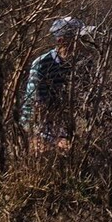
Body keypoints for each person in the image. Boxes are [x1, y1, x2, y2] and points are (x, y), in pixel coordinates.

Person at [20, 16, 82, 151]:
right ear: (61, 41)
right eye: (77, 40)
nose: (83, 44)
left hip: (64, 124)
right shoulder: (42, 64)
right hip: (38, 126)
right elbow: (37, 108)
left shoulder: (81, 64)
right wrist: (57, 137)